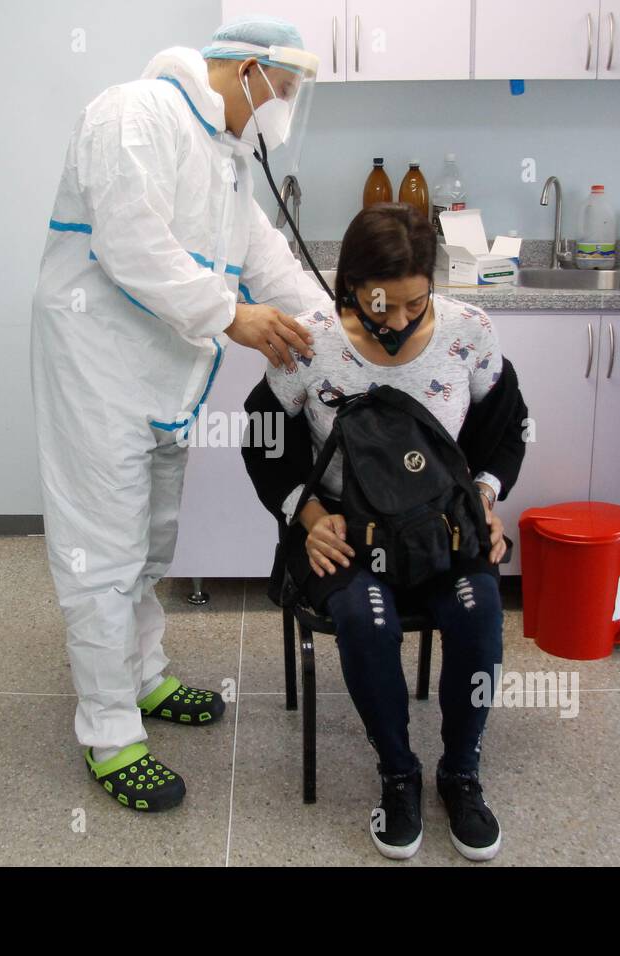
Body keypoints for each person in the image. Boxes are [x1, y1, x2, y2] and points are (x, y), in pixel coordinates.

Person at [29, 16, 333, 813]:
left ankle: (142, 677)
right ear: (248, 70)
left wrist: (334, 337)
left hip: (166, 380)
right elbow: (130, 246)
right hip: (99, 373)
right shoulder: (135, 113)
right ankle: (109, 731)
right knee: (102, 550)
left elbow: (268, 259)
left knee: (152, 537)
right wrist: (234, 317)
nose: (284, 110)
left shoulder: (228, 159)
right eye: (286, 91)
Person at [242, 204, 529, 860]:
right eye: (381, 305)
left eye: (413, 304)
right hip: (346, 524)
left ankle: (460, 772)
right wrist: (308, 520)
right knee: (365, 621)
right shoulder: (309, 340)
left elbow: (506, 429)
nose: (398, 321)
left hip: (440, 521)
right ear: (349, 287)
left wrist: (485, 499)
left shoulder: (469, 333)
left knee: (479, 610)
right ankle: (398, 772)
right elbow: (262, 441)